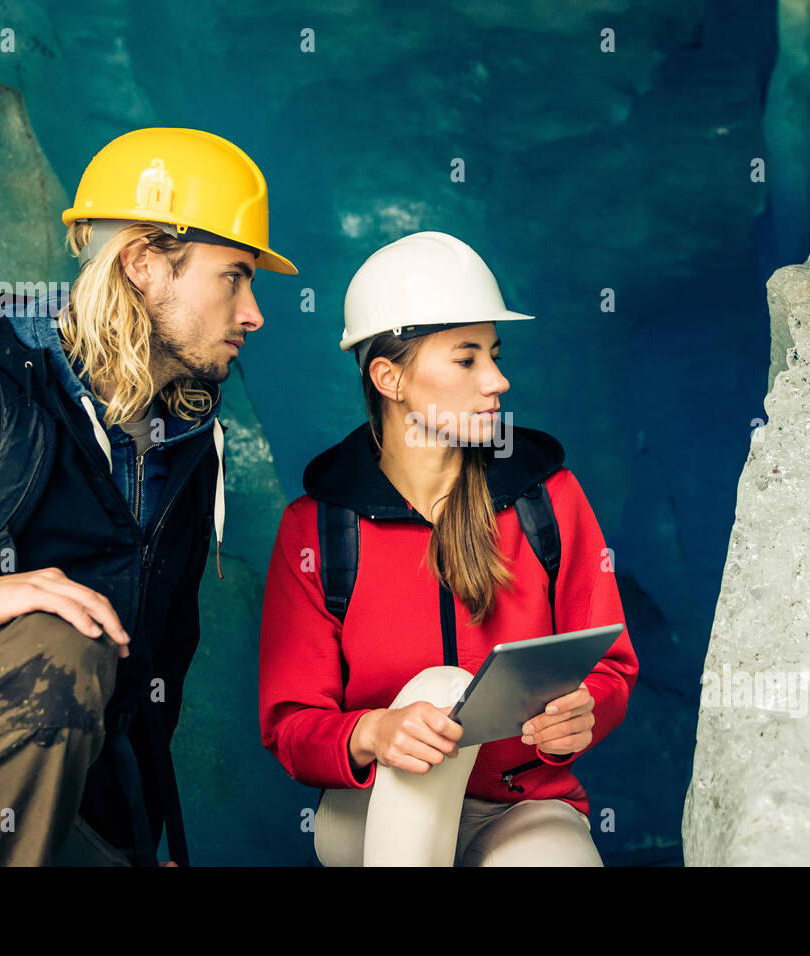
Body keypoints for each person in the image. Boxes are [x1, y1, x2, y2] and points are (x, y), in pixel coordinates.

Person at [0, 127, 297, 866]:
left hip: (17, 825)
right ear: (142, 264)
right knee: (55, 640)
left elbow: (141, 705)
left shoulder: (183, 460)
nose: (254, 312)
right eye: (234, 275)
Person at [258, 231, 638, 866]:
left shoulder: (551, 498)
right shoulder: (317, 530)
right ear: (389, 377)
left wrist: (586, 710)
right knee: (438, 688)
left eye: (494, 353)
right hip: (372, 808)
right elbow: (290, 725)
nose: (498, 380)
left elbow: (612, 668)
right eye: (466, 360)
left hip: (520, 805)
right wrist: (374, 730)